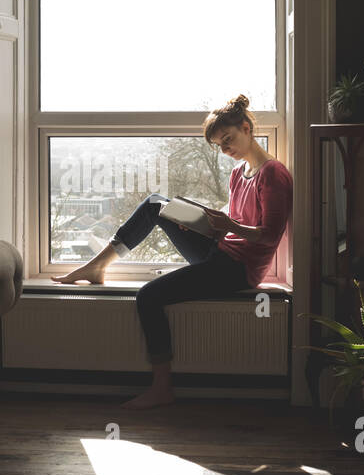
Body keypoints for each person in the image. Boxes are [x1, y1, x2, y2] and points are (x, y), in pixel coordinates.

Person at [52, 94, 294, 409]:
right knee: (156, 204)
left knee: (148, 296)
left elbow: (268, 235)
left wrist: (228, 225)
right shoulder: (239, 174)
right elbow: (233, 219)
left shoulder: (273, 173)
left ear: (247, 128)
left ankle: (162, 387)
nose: (224, 150)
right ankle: (98, 266)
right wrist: (200, 222)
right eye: (219, 145)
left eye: (228, 140)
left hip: (238, 270)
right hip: (219, 251)